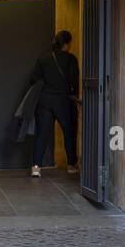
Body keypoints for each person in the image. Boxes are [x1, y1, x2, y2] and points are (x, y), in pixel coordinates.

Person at [29, 29, 80, 178]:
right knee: (69, 132)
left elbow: (32, 79)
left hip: (44, 100)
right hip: (63, 100)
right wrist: (74, 95)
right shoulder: (70, 59)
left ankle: (36, 167)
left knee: (42, 134)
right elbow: (74, 81)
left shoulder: (43, 58)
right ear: (67, 44)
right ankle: (71, 165)